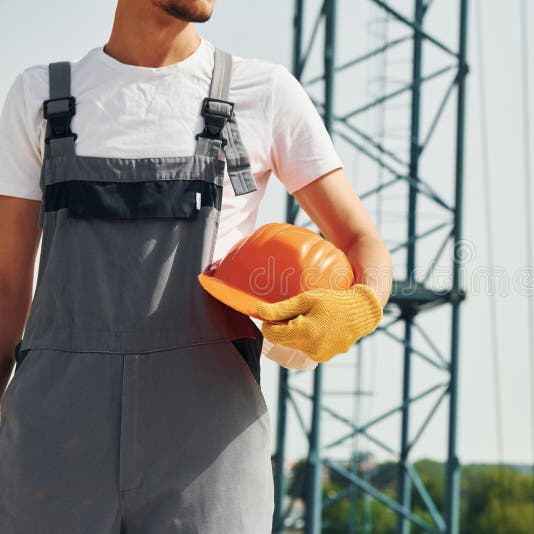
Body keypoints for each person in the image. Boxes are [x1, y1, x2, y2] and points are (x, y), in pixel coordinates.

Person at [0, 0, 392, 532]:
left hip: (209, 450)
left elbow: (360, 239)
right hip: (54, 443)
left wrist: (362, 304)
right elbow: (5, 289)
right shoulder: (41, 99)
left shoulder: (264, 93)